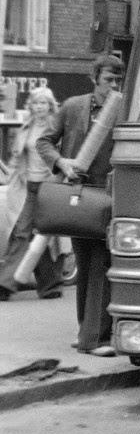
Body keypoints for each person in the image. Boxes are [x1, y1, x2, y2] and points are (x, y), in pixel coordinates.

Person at [37, 55, 125, 357]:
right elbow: (44, 141)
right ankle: (88, 334)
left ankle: (93, 337)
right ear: (94, 78)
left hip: (109, 196)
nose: (113, 86)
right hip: (77, 196)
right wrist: (62, 163)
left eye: (117, 80)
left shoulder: (123, 110)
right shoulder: (73, 106)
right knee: (86, 263)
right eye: (108, 80)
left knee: (101, 262)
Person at [0, 87, 66, 301]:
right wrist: (10, 176)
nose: (39, 107)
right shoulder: (27, 126)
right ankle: (12, 284)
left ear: (50, 105)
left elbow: (63, 159)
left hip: (49, 188)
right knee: (22, 232)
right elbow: (16, 157)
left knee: (44, 233)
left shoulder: (55, 128)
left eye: (43, 103)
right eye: (36, 103)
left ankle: (45, 286)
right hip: (27, 187)